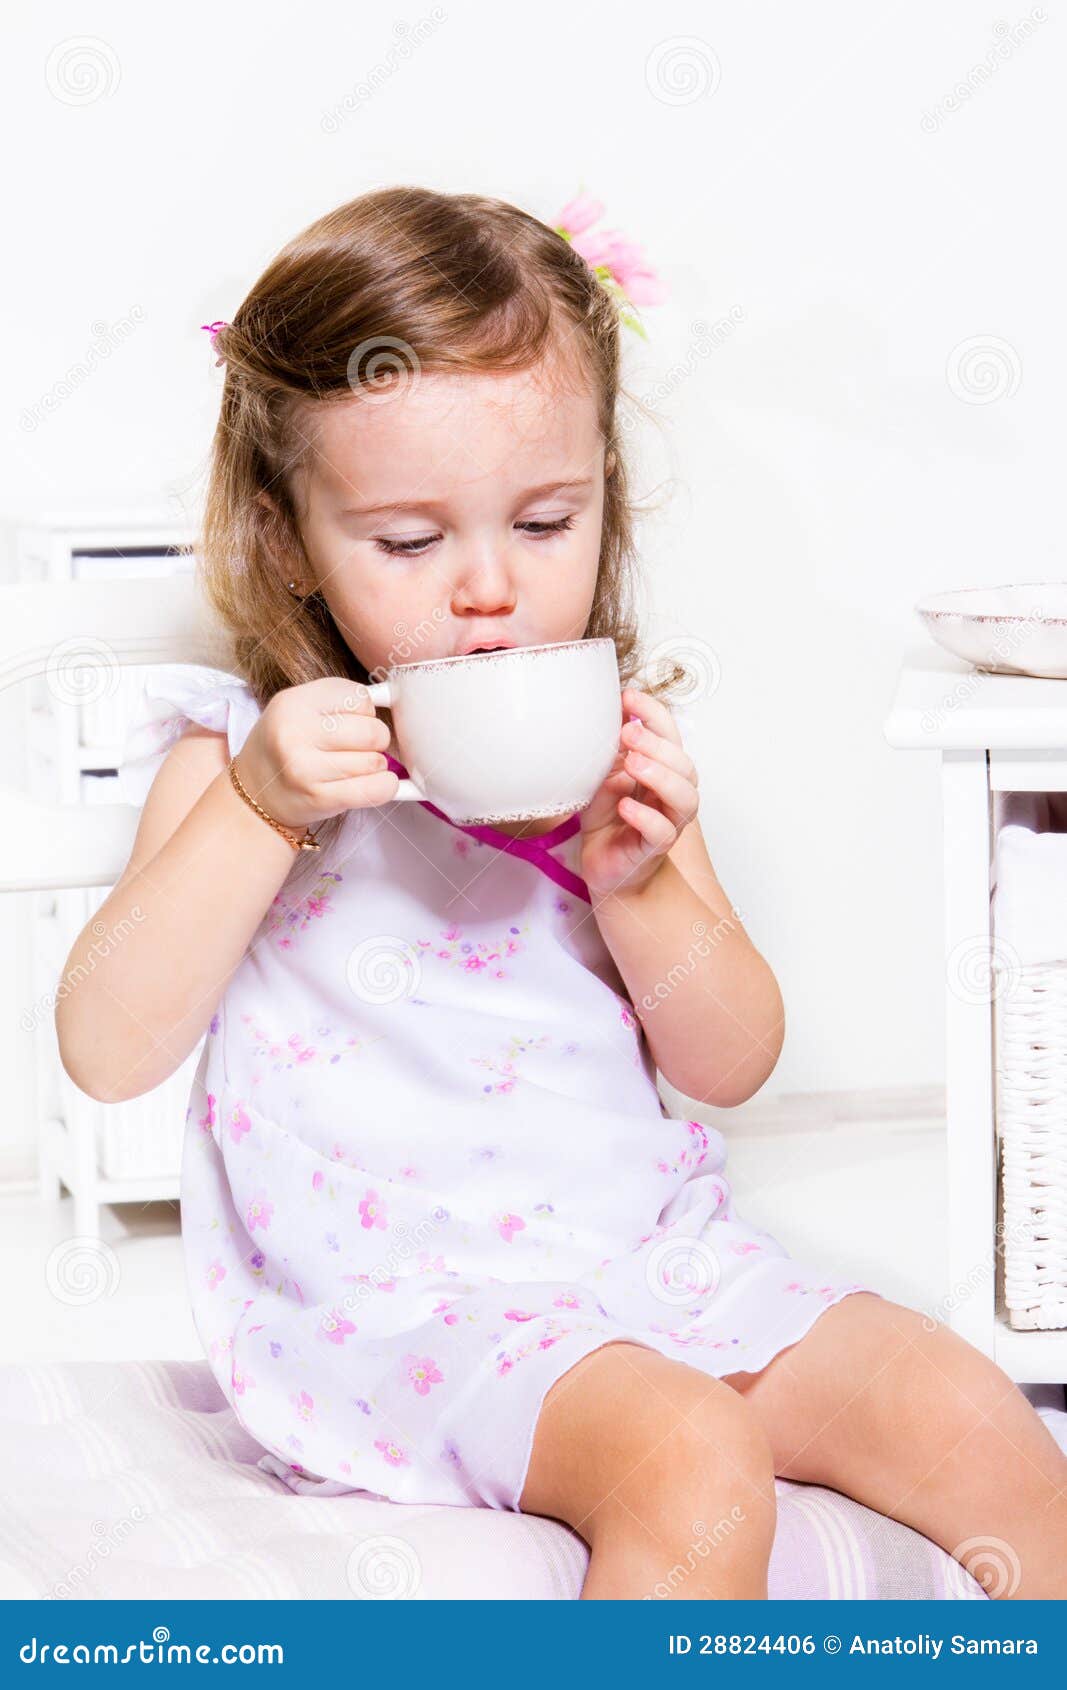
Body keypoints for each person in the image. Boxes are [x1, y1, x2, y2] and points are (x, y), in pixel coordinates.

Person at [56, 186, 1067, 1600]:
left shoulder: (620, 764)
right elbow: (106, 1048)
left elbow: (732, 1061)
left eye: (543, 521)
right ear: (290, 543)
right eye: (409, 543)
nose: (488, 588)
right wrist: (259, 811)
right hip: (399, 1313)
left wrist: (639, 885)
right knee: (694, 1463)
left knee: (975, 1417)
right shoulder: (236, 764)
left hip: (649, 1265)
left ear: (606, 500)